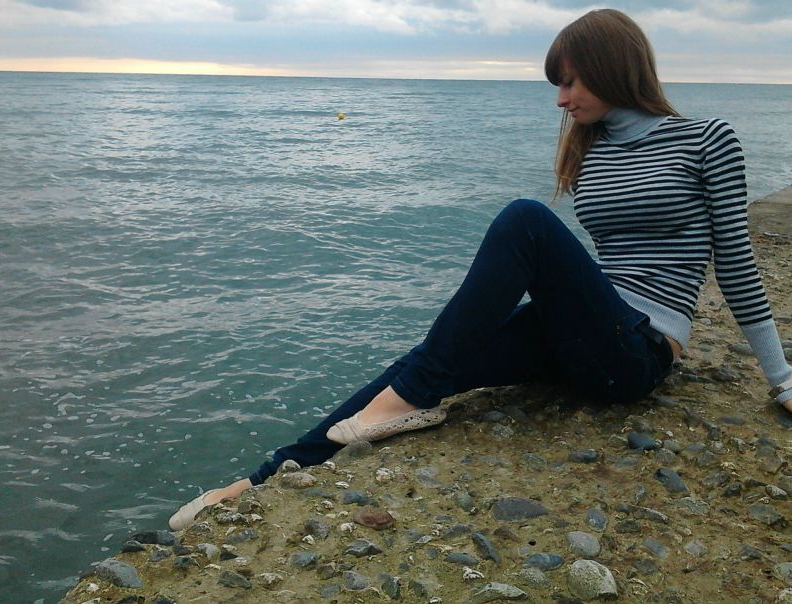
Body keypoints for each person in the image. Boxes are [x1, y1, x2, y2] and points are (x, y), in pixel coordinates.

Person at [168, 8, 792, 530]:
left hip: (637, 352)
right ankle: (265, 477)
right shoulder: (594, 154)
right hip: (586, 332)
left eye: (571, 82)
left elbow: (737, 264)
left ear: (612, 68)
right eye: (558, 85)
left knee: (525, 220)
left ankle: (403, 402)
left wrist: (783, 380)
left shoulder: (706, 139)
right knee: (432, 357)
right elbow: (604, 268)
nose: (561, 99)